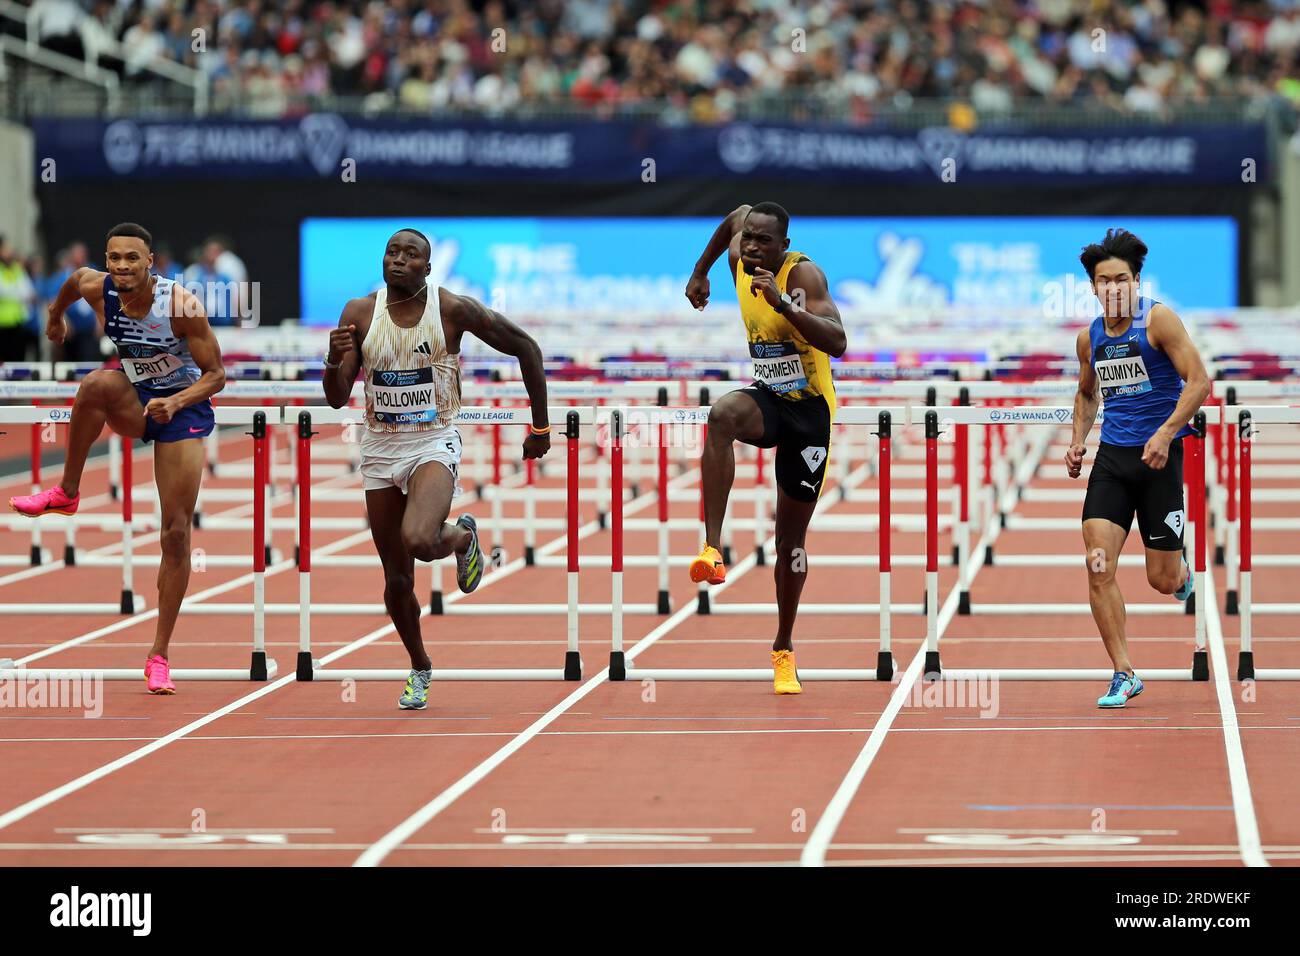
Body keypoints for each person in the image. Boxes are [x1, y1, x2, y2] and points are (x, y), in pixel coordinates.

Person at [322, 228, 550, 711]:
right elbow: (338, 396)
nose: (398, 260)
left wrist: (542, 427)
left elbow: (526, 347)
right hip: (380, 451)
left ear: (428, 267)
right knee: (397, 581)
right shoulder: (359, 314)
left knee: (421, 539)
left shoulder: (451, 310)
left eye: (411, 255)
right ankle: (420, 665)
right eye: (391, 252)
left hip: (433, 441)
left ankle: (462, 538)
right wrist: (331, 358)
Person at [9, 222, 227, 695]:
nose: (122, 266)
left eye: (132, 258)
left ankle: (159, 655)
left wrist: (176, 401)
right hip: (136, 399)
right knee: (93, 386)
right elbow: (69, 283)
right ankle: (66, 492)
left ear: (150, 262)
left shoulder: (181, 305)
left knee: (174, 533)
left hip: (182, 410)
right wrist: (53, 317)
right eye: (115, 258)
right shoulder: (97, 286)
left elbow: (216, 375)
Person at [684, 202, 847, 695]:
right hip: (770, 398)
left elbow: (838, 341)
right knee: (721, 415)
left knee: (789, 544)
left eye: (762, 242)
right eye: (749, 239)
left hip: (810, 415)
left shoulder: (804, 277)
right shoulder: (739, 252)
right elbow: (734, 217)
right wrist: (700, 272)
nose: (751, 246)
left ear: (783, 247)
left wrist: (783, 304)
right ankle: (713, 548)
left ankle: (783, 647)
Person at [1065, 228, 1211, 708]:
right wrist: (1077, 442)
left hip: (1160, 459)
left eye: (1123, 279)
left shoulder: (1159, 322)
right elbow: (1088, 394)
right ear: (1093, 286)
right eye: (1105, 280)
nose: (1114, 288)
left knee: (1162, 581)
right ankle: (1123, 671)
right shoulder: (1089, 338)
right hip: (1113, 460)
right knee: (1097, 563)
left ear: (1137, 280)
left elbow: (1199, 383)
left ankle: (1180, 572)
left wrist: (1167, 432)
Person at [0, 236, 37, 363]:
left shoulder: (17, 269)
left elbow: (30, 292)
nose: (10, 251)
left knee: (17, 362)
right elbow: (4, 292)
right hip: (2, 325)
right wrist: (17, 292)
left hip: (18, 323)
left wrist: (15, 292)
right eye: (6, 248)